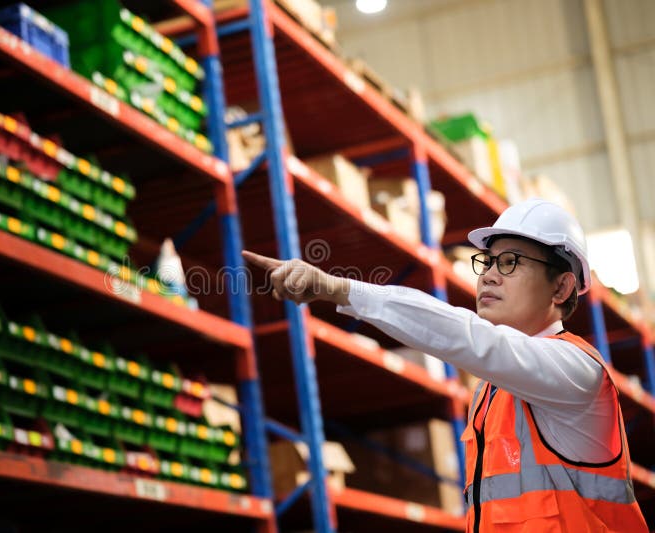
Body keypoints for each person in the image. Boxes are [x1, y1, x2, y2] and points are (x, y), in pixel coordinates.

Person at [243, 198, 648, 532]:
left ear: (561, 287)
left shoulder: (576, 372)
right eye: (487, 262)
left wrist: (339, 289)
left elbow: (470, 337)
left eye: (509, 262)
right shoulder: (491, 394)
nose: (489, 276)